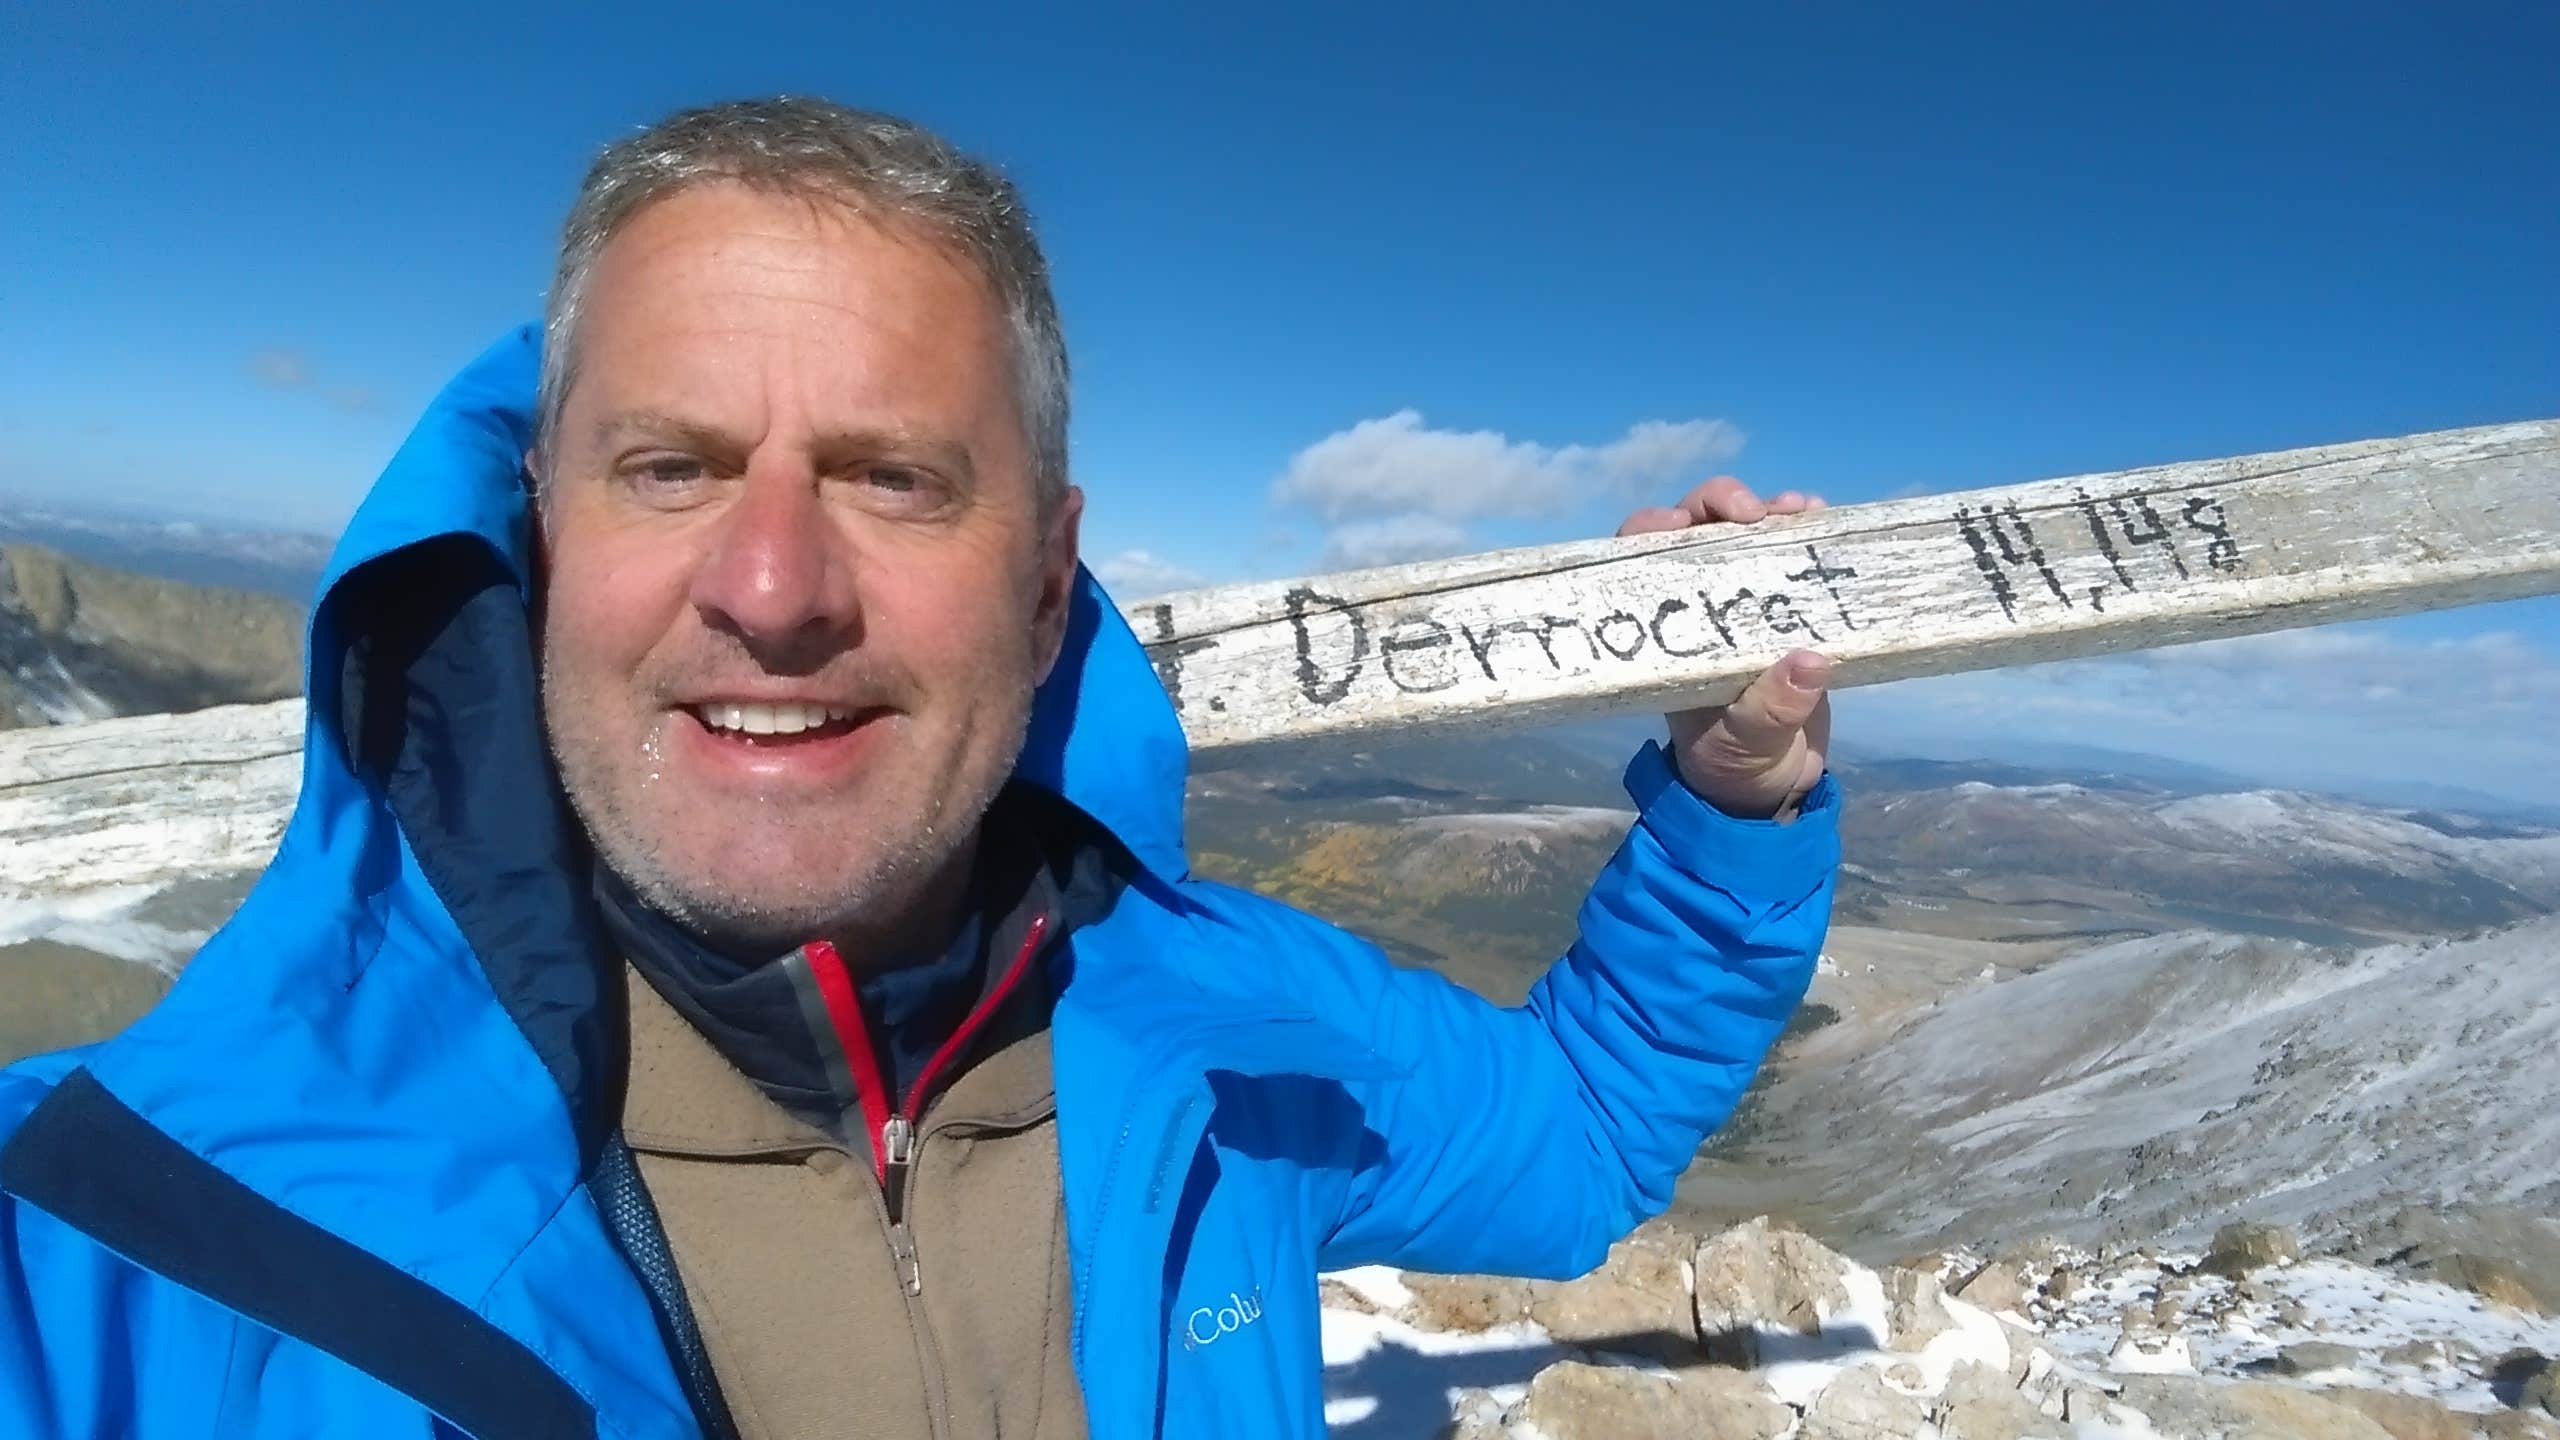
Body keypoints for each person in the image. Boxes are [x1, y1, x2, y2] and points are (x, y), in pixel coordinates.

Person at [0, 98, 1840, 1439]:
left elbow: (1580, 1137)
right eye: (673, 467)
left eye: (895, 477)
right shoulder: (137, 1224)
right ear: (543, 532)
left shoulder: (1226, 1031)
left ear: (1046, 586)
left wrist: (1733, 803)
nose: (775, 590)